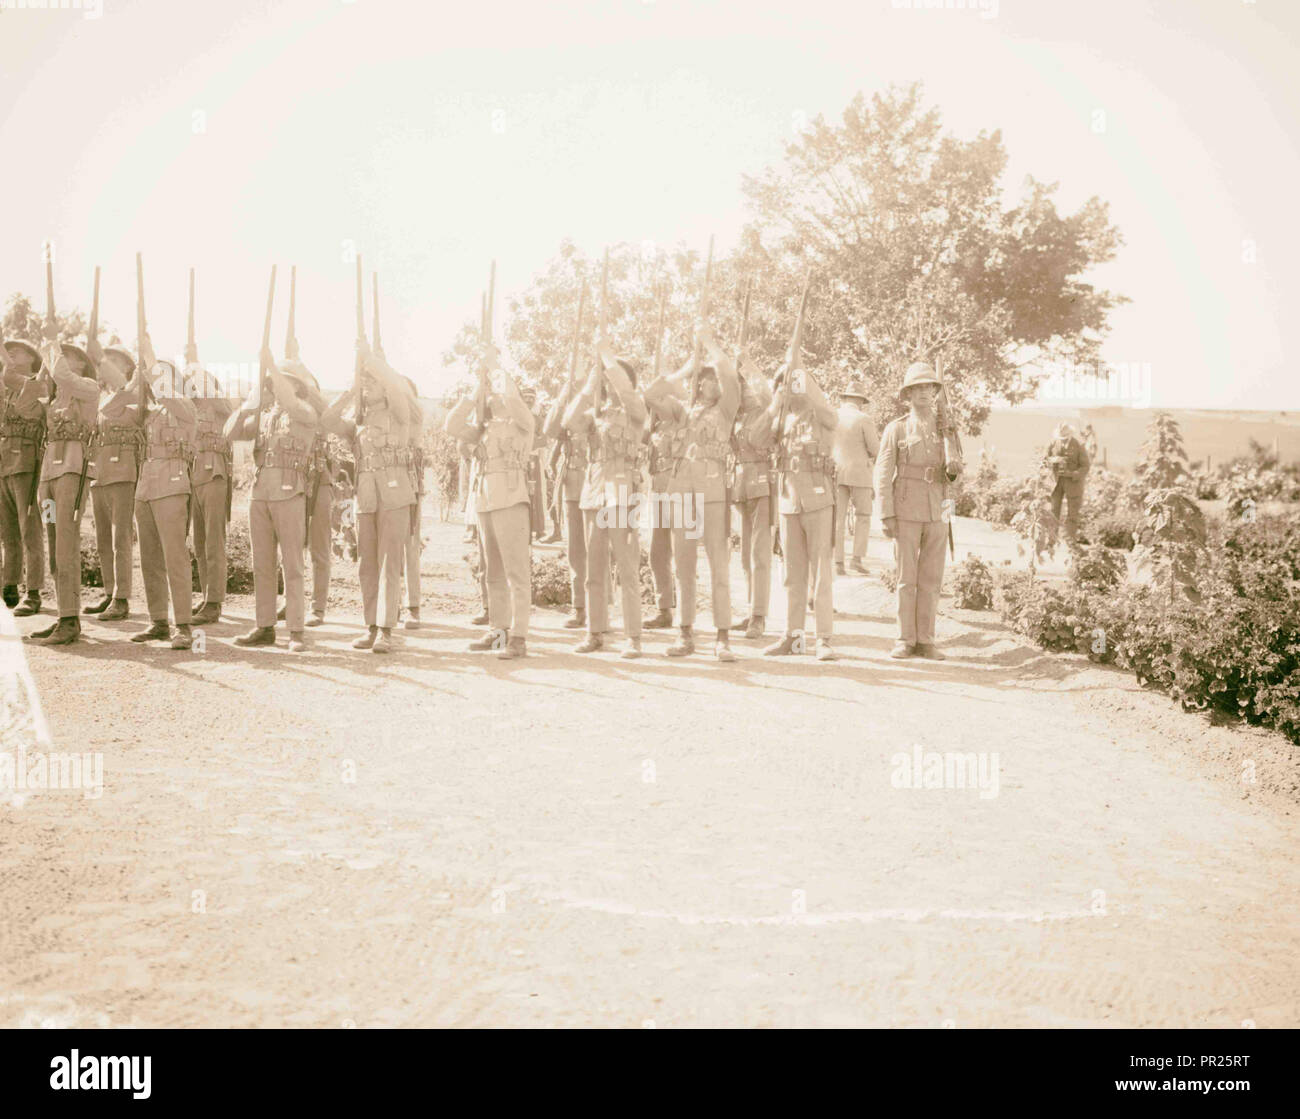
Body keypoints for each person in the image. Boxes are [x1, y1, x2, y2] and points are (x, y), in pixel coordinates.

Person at [644, 327, 740, 661]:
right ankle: (684, 633)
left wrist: (709, 342)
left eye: (709, 380)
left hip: (712, 490)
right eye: (701, 381)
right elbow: (651, 394)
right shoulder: (683, 412)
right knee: (684, 567)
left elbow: (728, 371)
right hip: (682, 489)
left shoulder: (727, 409)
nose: (704, 385)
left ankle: (722, 637)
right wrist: (687, 366)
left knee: (718, 567)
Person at [225, 349, 322, 652]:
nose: (274, 388)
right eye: (272, 383)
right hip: (261, 493)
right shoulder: (265, 417)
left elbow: (291, 403)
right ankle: (264, 626)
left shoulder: (304, 411)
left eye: (282, 382)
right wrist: (248, 405)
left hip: (290, 491)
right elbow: (229, 433)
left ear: (295, 385)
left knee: (291, 565)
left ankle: (296, 630)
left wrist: (270, 368)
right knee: (262, 565)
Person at [319, 342, 413, 654]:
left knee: (389, 562)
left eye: (373, 381)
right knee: (367, 564)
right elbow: (326, 421)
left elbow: (396, 388)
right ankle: (370, 625)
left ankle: (386, 629)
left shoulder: (399, 411)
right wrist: (350, 391)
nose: (369, 385)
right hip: (367, 497)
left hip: (395, 493)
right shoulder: (357, 422)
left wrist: (372, 361)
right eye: (366, 381)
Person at [444, 342, 535, 658]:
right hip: (484, 501)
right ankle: (498, 631)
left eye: (496, 393)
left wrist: (495, 368)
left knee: (516, 573)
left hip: (510, 500)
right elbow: (451, 425)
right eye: (490, 394)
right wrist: (473, 391)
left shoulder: (521, 421)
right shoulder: (481, 429)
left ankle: (519, 637)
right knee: (492, 573)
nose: (494, 398)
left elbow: (511, 395)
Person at [874, 361, 963, 660]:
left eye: (929, 387)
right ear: (908, 394)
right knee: (905, 578)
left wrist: (952, 469)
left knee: (931, 579)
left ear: (935, 393)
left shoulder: (947, 429)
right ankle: (904, 639)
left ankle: (926, 640)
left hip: (937, 509)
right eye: (918, 388)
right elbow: (883, 473)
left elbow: (955, 472)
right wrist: (885, 513)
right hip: (906, 508)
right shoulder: (896, 428)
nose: (924, 393)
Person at [562, 341, 646, 658]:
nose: (609, 384)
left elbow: (630, 398)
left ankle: (633, 637)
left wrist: (609, 362)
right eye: (606, 379)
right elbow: (568, 421)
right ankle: (594, 633)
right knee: (593, 570)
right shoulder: (594, 414)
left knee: (626, 569)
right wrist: (589, 385)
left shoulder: (635, 412)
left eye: (614, 379)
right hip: (594, 493)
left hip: (622, 493)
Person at [760, 351, 838, 662]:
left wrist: (800, 370)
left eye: (793, 385)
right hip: (789, 501)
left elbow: (826, 410)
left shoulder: (820, 414)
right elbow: (756, 437)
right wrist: (774, 403)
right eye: (783, 385)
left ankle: (824, 639)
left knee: (820, 572)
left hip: (818, 498)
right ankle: (793, 637)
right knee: (792, 575)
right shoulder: (780, 419)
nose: (789, 390)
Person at [26, 331, 99, 645]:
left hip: (72, 469)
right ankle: (63, 615)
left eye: (67, 354)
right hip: (49, 475)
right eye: (59, 353)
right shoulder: (56, 395)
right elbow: (27, 397)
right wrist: (43, 358)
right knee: (54, 543)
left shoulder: (88, 388)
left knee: (66, 544)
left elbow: (62, 375)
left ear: (81, 363)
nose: (59, 358)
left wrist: (51, 350)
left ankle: (71, 619)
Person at [128, 353, 199, 650]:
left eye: (164, 375)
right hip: (145, 485)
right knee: (150, 558)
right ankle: (158, 620)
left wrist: (150, 361)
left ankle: (183, 624)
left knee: (175, 556)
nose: (157, 380)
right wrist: (135, 381)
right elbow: (110, 409)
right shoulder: (148, 411)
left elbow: (166, 395)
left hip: (172, 482)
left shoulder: (184, 406)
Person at [85, 343, 143, 621]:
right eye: (106, 360)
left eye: (114, 361)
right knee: (102, 539)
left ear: (127, 367)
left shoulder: (134, 393)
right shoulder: (102, 396)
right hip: (101, 471)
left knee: (121, 538)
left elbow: (127, 392)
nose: (107, 364)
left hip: (123, 470)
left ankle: (122, 598)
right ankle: (109, 592)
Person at [543, 360, 593, 631]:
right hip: (573, 484)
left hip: (598, 484)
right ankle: (580, 607)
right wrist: (565, 392)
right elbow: (551, 430)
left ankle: (601, 607)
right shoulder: (570, 407)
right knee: (576, 549)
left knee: (599, 548)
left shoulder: (601, 404)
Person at [0, 338, 47, 618]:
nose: (10, 355)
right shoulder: (6, 386)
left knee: (29, 529)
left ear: (31, 357)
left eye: (16, 351)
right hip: (5, 460)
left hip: (27, 460)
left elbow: (26, 407)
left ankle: (34, 591)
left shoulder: (36, 383)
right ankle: (10, 584)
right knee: (8, 532)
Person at [730, 358, 773, 640]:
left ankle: (759, 616)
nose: (744, 392)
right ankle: (750, 610)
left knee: (759, 553)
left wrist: (745, 363)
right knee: (745, 555)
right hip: (741, 484)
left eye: (747, 387)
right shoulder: (737, 416)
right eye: (739, 387)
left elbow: (765, 390)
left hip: (761, 482)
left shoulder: (766, 412)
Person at [190, 368, 235, 625]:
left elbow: (230, 411)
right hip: (193, 475)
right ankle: (208, 595)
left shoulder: (218, 402)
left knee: (214, 541)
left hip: (214, 473)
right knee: (199, 542)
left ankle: (215, 601)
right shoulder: (189, 406)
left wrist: (202, 378)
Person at [640, 388, 680, 632]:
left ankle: (686, 613)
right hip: (657, 493)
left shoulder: (680, 423)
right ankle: (663, 608)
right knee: (658, 553)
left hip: (679, 491)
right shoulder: (653, 428)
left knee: (682, 555)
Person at [832, 379, 879, 575]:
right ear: (860, 401)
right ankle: (857, 559)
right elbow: (875, 448)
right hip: (860, 473)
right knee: (863, 517)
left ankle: (838, 562)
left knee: (837, 519)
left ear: (844, 398)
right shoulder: (863, 419)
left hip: (835, 472)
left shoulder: (833, 415)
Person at [400, 376, 427, 629]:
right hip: (387, 487)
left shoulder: (415, 416)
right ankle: (390, 605)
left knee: (410, 547)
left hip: (410, 486)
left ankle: (413, 607)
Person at [1046, 422, 1090, 543]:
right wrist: (1054, 460)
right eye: (1062, 438)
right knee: (1053, 511)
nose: (1063, 440)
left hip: (1073, 483)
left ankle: (1070, 541)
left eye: (1065, 437)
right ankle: (1051, 540)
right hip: (1056, 482)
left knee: (1072, 513)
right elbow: (1044, 460)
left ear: (1070, 434)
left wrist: (1073, 474)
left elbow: (1085, 467)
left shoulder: (1079, 445)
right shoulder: (1053, 443)